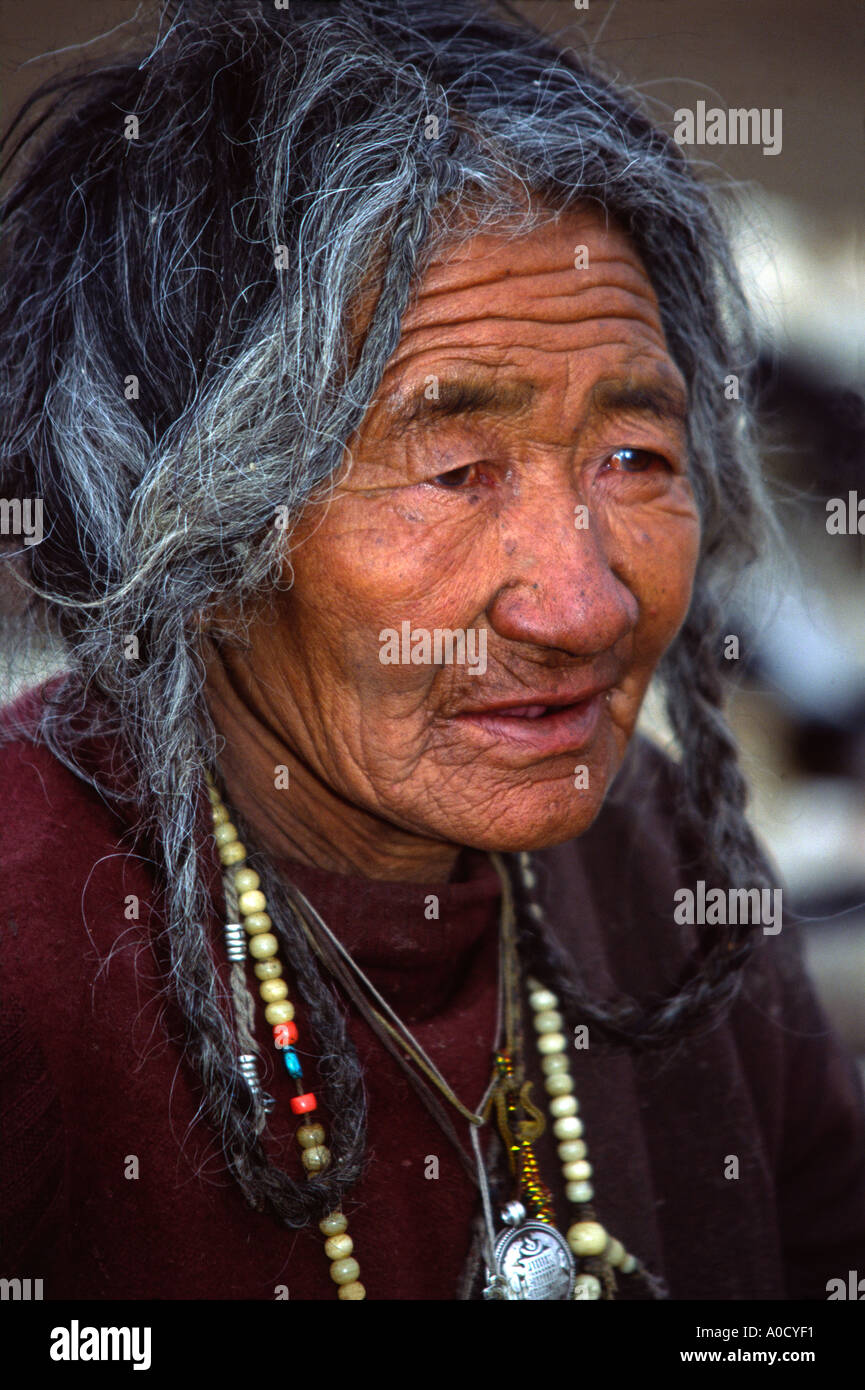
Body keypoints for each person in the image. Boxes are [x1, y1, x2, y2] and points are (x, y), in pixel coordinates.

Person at [1, 0, 863, 1302]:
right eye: (454, 467)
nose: (580, 604)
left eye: (633, 457)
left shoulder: (672, 883)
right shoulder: (27, 933)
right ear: (179, 513)